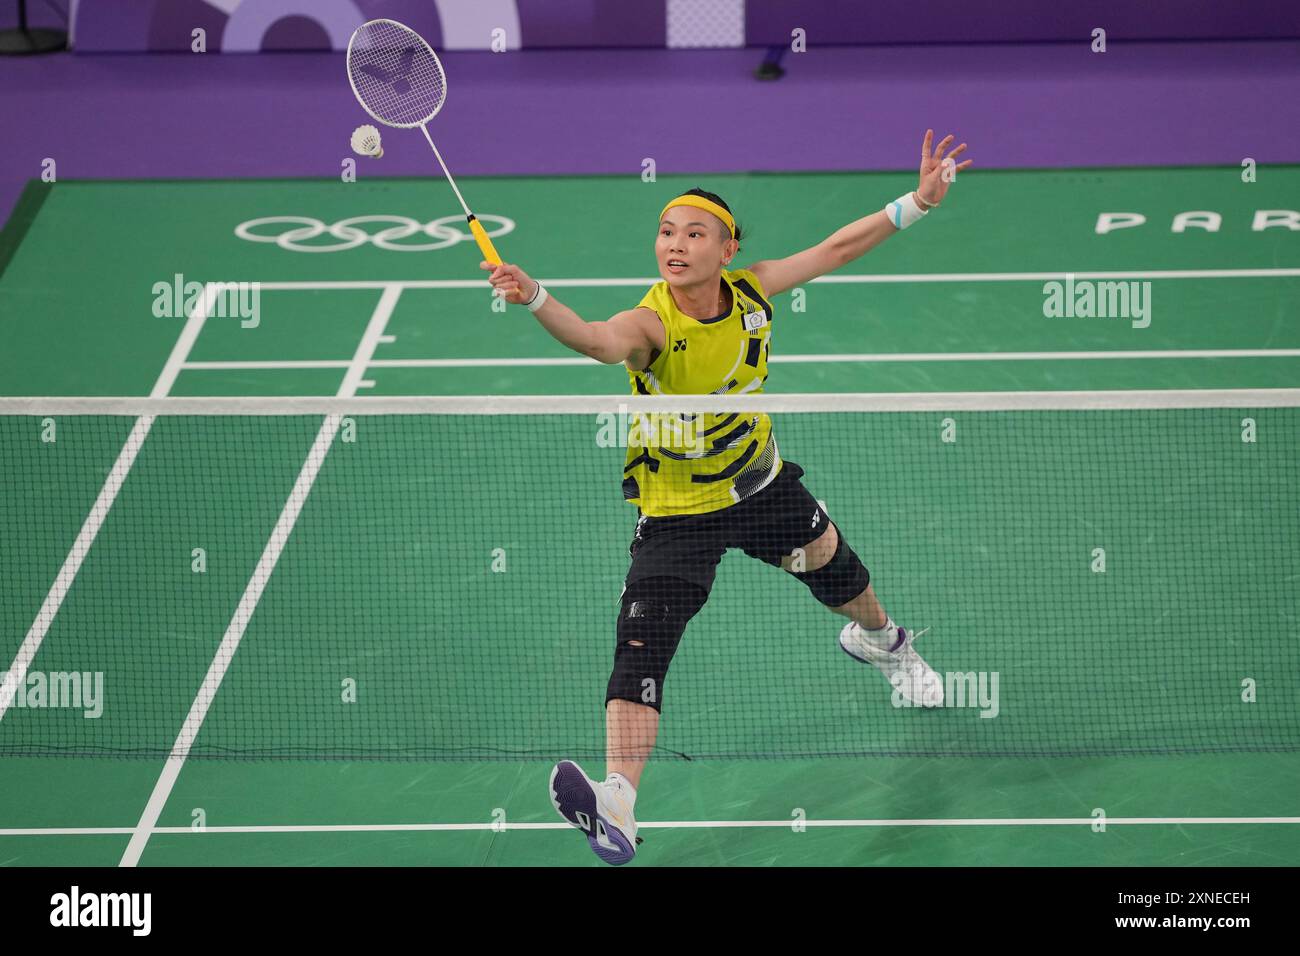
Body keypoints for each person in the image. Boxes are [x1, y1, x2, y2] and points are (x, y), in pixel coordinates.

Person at [482, 131, 972, 865]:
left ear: (727, 249)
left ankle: (883, 644)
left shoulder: (753, 291)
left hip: (760, 484)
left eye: (693, 233)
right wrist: (536, 296)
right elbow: (595, 340)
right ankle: (617, 799)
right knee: (640, 649)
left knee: (845, 581)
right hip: (676, 513)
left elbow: (835, 250)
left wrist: (919, 203)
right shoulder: (651, 323)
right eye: (666, 232)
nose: (674, 245)